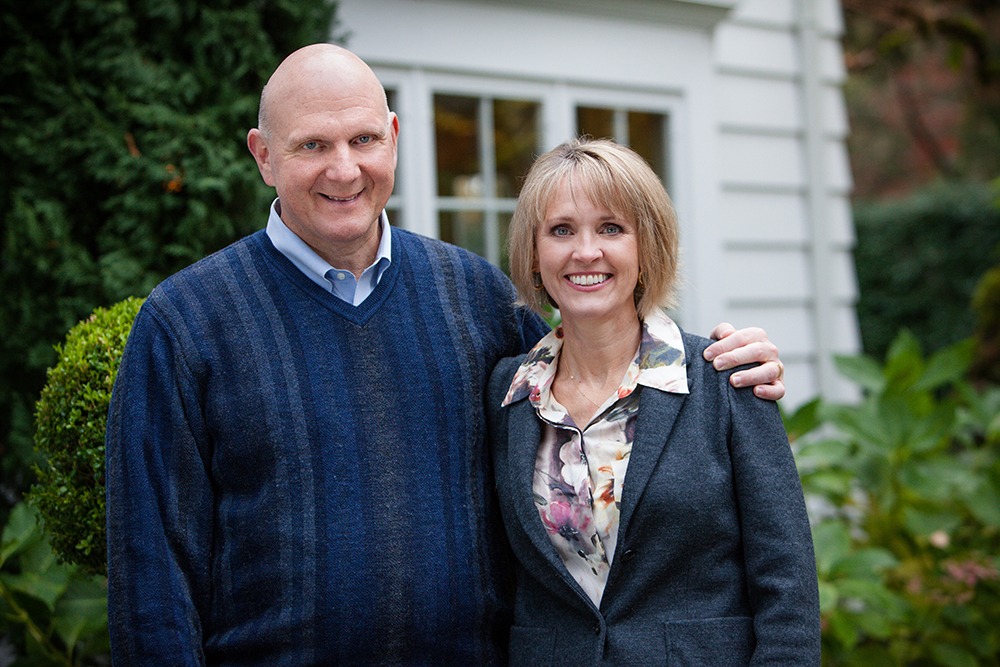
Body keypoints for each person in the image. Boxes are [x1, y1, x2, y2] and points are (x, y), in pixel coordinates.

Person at [105, 44, 788, 664]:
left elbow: (595, 384)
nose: (344, 169)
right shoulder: (185, 323)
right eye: (313, 144)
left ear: (394, 141)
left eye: (364, 139)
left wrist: (717, 359)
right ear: (263, 155)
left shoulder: (476, 297)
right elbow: (151, 574)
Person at [487, 138, 820, 665]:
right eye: (561, 230)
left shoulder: (725, 380)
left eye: (611, 228)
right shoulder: (507, 396)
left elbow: (787, 587)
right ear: (533, 254)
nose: (585, 251)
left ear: (649, 248)